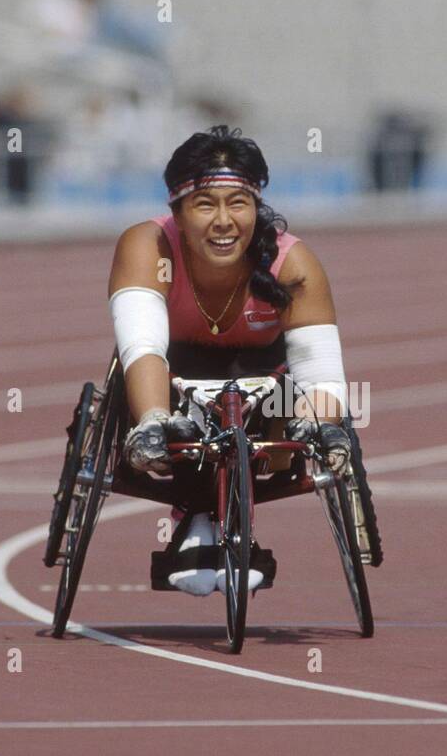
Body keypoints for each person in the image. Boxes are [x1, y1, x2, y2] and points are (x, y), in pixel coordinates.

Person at [107, 125, 351, 597]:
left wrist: (319, 426)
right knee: (168, 400)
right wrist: (154, 421)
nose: (223, 221)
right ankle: (198, 519)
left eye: (237, 204)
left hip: (266, 379)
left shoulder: (293, 263)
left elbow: (319, 371)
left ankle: (228, 522)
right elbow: (142, 348)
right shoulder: (146, 246)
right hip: (174, 370)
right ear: (176, 212)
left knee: (284, 398)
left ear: (256, 208)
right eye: (205, 205)